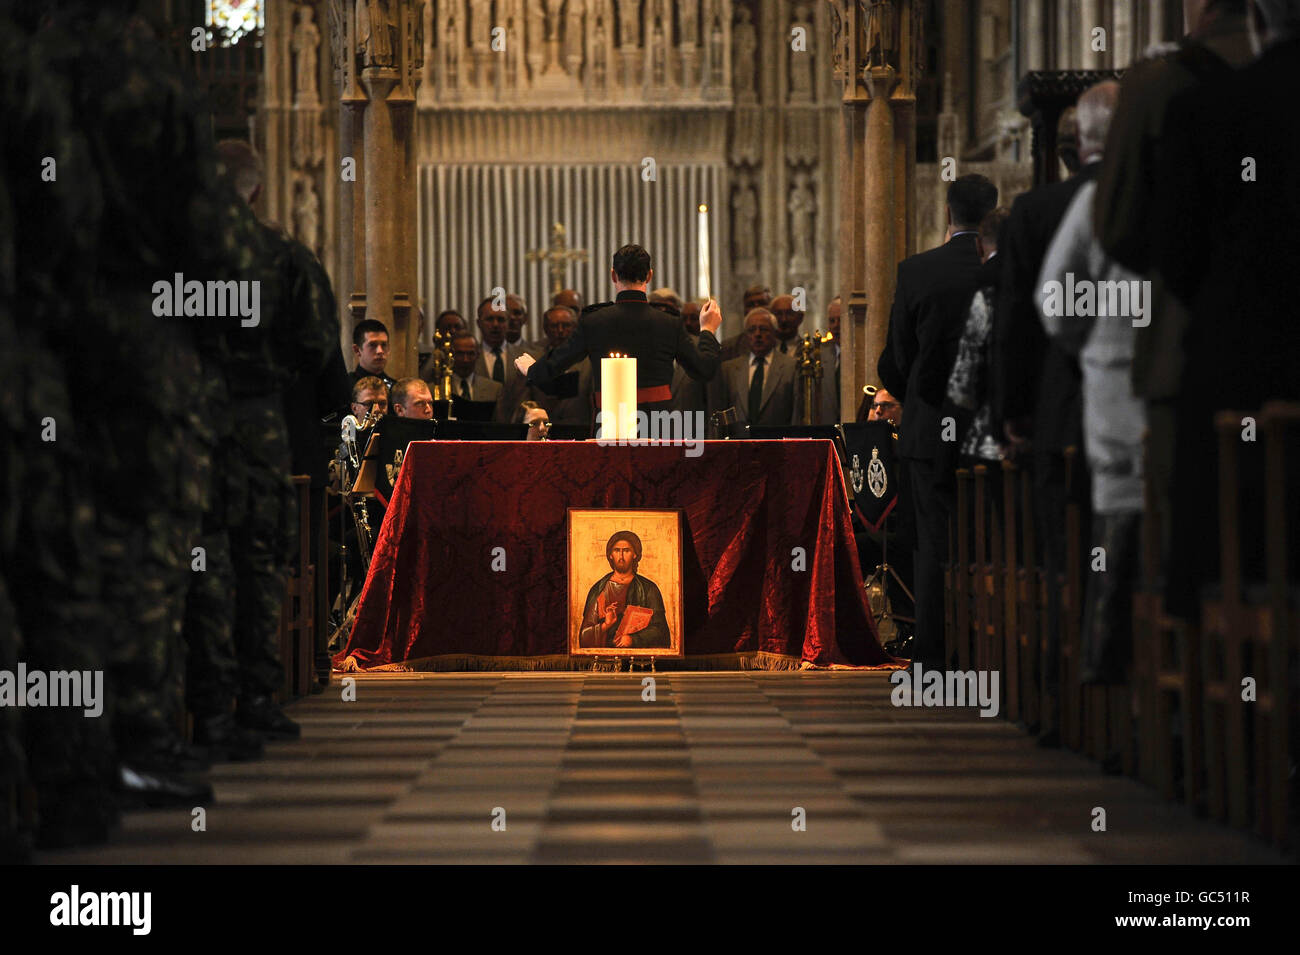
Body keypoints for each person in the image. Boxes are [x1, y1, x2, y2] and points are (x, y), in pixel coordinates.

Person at [1093, 0, 1254, 573]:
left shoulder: (1159, 83)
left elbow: (1116, 227)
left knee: (1197, 568)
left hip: (1191, 360)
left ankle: (1198, 654)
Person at [1154, 0, 1300, 618]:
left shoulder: (1206, 109)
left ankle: (1223, 698)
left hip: (1240, 369)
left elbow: (1173, 257)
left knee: (1232, 558)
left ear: (1260, 26)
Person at [1036, 83, 1141, 689]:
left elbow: (1057, 305)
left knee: (1117, 546)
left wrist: (1092, 352)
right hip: (1169, 411)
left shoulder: (1102, 200)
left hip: (1118, 412)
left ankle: (1108, 676)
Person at [885, 173, 997, 672]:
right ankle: (992, 652)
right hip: (992, 431)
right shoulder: (1006, 271)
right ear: (992, 213)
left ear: (947, 213)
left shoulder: (917, 270)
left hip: (930, 426)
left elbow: (896, 358)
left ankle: (933, 657)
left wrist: (918, 390)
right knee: (994, 536)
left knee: (932, 544)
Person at [518, 244, 722, 415]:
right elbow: (704, 370)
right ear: (649, 276)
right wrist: (708, 329)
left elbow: (556, 365)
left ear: (613, 275)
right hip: (659, 425)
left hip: (610, 423)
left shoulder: (594, 321)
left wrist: (532, 370)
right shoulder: (669, 322)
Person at [946, 206, 1009, 466]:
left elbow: (963, 383)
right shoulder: (1044, 283)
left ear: (980, 246)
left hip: (988, 434)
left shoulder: (981, 287)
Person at [497, 306, 591, 426]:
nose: (560, 330)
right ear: (545, 328)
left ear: (575, 328)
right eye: (554, 326)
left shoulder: (588, 363)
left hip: (578, 431)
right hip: (540, 430)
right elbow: (521, 403)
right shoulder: (532, 361)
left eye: (566, 325)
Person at [578, 531, 670, 649]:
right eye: (617, 551)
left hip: (638, 661)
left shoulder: (649, 589)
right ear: (610, 555)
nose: (621, 557)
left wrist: (634, 639)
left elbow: (661, 632)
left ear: (635, 555)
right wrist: (605, 625)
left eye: (626, 551)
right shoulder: (599, 589)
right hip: (606, 661)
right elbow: (584, 637)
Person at [710, 308, 800, 429]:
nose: (757, 334)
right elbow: (720, 412)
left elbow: (796, 414)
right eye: (752, 330)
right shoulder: (729, 369)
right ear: (746, 335)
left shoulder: (792, 367)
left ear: (774, 332)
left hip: (777, 443)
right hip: (738, 443)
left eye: (763, 329)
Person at [474, 296, 526, 387]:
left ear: (508, 322)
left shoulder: (525, 356)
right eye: (489, 319)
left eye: (501, 319)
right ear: (479, 323)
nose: (495, 324)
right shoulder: (469, 357)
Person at [449, 334, 505, 404]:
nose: (465, 359)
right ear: (451, 355)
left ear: (478, 355)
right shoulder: (436, 389)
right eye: (460, 354)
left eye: (470, 354)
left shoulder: (494, 389)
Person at [350, 318, 395, 388]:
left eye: (384, 345)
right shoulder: (345, 387)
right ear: (357, 350)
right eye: (372, 345)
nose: (380, 351)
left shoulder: (395, 388)